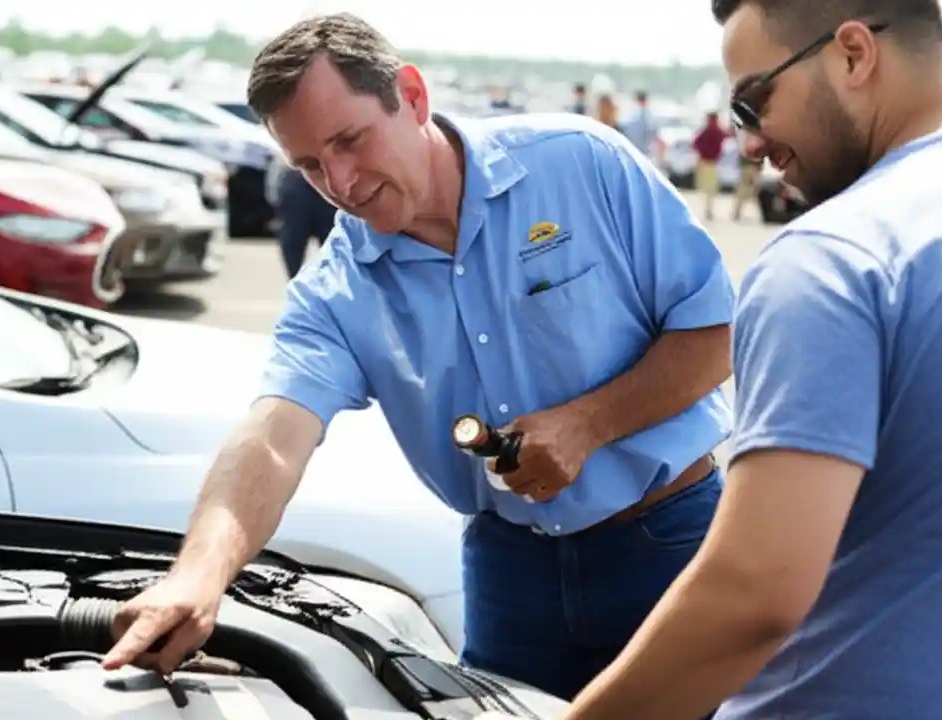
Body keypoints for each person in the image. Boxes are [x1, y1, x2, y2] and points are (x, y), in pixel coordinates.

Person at [101, 12, 736, 701]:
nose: (340, 183)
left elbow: (717, 333)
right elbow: (273, 438)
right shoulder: (334, 287)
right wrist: (197, 576)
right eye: (310, 165)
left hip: (668, 542)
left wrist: (588, 423)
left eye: (349, 140)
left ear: (412, 96)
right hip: (509, 570)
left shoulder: (579, 164)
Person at [566, 0, 942, 717]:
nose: (750, 145)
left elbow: (753, 594)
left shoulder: (834, 260)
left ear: (853, 55)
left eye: (754, 102)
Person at [692, 111, 729, 220]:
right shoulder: (717, 130)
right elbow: (726, 136)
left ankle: (706, 210)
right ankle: (708, 210)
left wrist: (701, 153)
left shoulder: (706, 130)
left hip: (704, 161)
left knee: (704, 187)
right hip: (712, 162)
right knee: (710, 188)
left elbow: (695, 143)